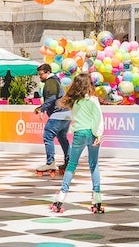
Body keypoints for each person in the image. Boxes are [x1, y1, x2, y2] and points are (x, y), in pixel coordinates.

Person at [49, 73, 103, 214]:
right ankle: (97, 200)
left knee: (71, 166)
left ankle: (61, 197)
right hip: (91, 133)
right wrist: (98, 134)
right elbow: (98, 117)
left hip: (79, 133)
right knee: (94, 165)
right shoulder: (92, 100)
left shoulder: (74, 101)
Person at [34, 63, 71, 177]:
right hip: (66, 115)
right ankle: (69, 162)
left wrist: (42, 109)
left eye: (41, 74)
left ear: (47, 72)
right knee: (62, 138)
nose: (39, 77)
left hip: (58, 114)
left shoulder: (50, 82)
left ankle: (50, 162)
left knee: (47, 136)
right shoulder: (57, 80)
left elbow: (51, 98)